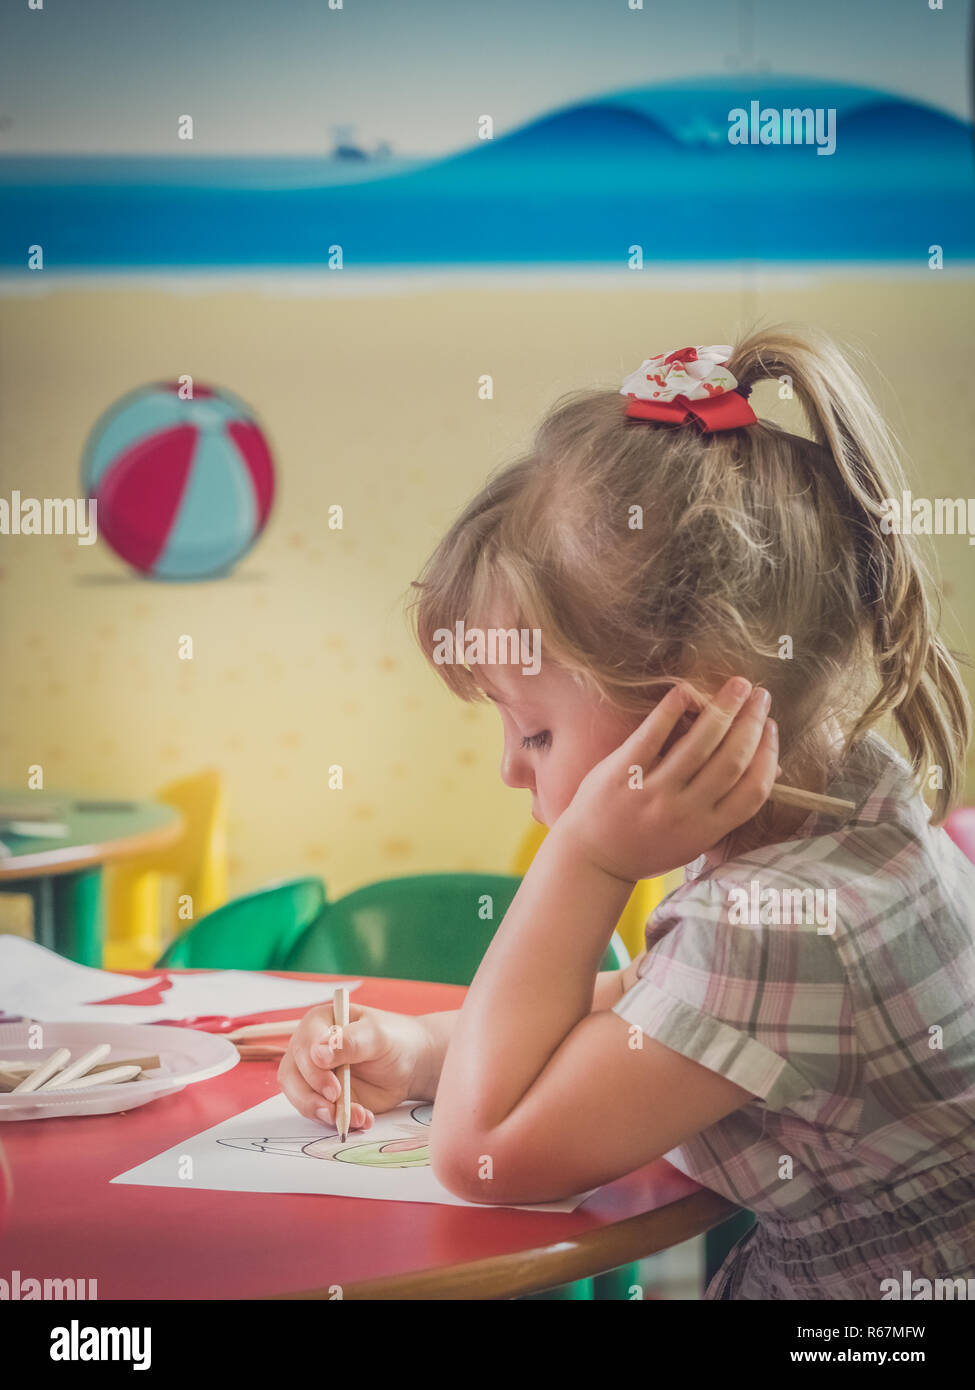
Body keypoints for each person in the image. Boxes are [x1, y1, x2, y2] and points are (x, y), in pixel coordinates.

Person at [279, 328, 975, 1299]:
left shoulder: (779, 927)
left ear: (691, 711)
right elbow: (655, 1002)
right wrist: (428, 1050)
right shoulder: (851, 801)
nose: (511, 775)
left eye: (534, 735)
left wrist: (586, 859)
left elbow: (481, 1156)